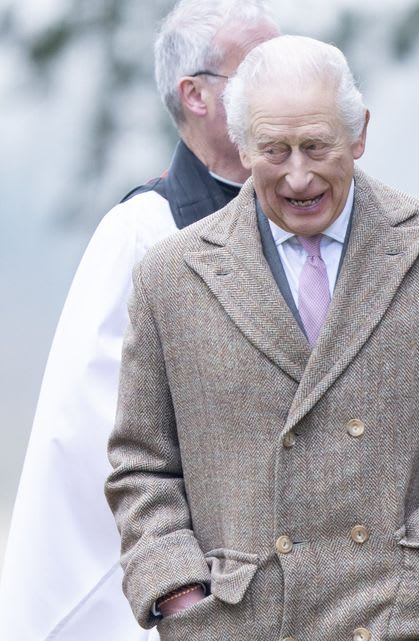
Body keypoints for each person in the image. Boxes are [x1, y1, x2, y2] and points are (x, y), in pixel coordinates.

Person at [104, 34, 419, 640]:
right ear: (241, 145)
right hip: (242, 625)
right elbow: (141, 466)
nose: (298, 175)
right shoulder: (170, 275)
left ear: (359, 133)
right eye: (274, 150)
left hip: (414, 617)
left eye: (316, 146)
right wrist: (179, 594)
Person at [0, 2, 278, 638]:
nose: (285, 84)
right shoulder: (142, 234)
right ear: (197, 95)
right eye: (259, 69)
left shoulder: (315, 221)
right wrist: (178, 587)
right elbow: (100, 437)